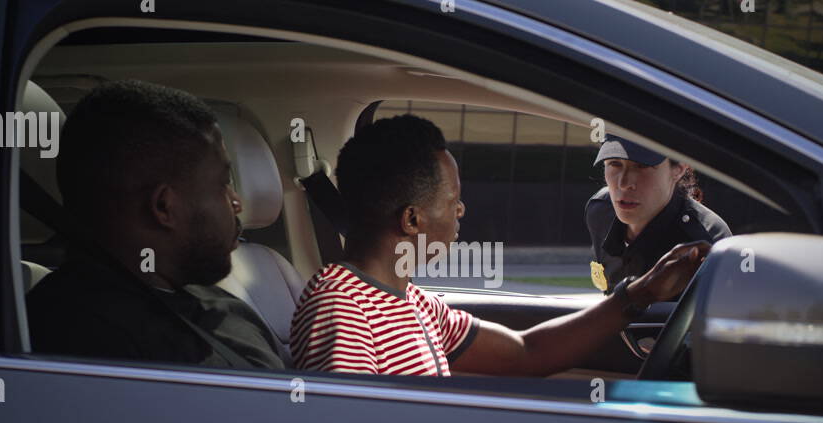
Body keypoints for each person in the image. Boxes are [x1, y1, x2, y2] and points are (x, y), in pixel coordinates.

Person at [291, 115, 710, 377]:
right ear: (412, 220)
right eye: (452, 200)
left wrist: (641, 292)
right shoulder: (341, 308)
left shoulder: (411, 301)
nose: (461, 210)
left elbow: (526, 352)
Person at [26, 80, 283, 369]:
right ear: (164, 207)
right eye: (223, 184)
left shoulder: (220, 305)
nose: (237, 203)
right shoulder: (80, 340)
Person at [584, 134, 731, 295]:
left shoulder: (707, 240)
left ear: (679, 168)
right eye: (614, 163)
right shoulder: (600, 211)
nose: (624, 184)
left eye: (641, 166)